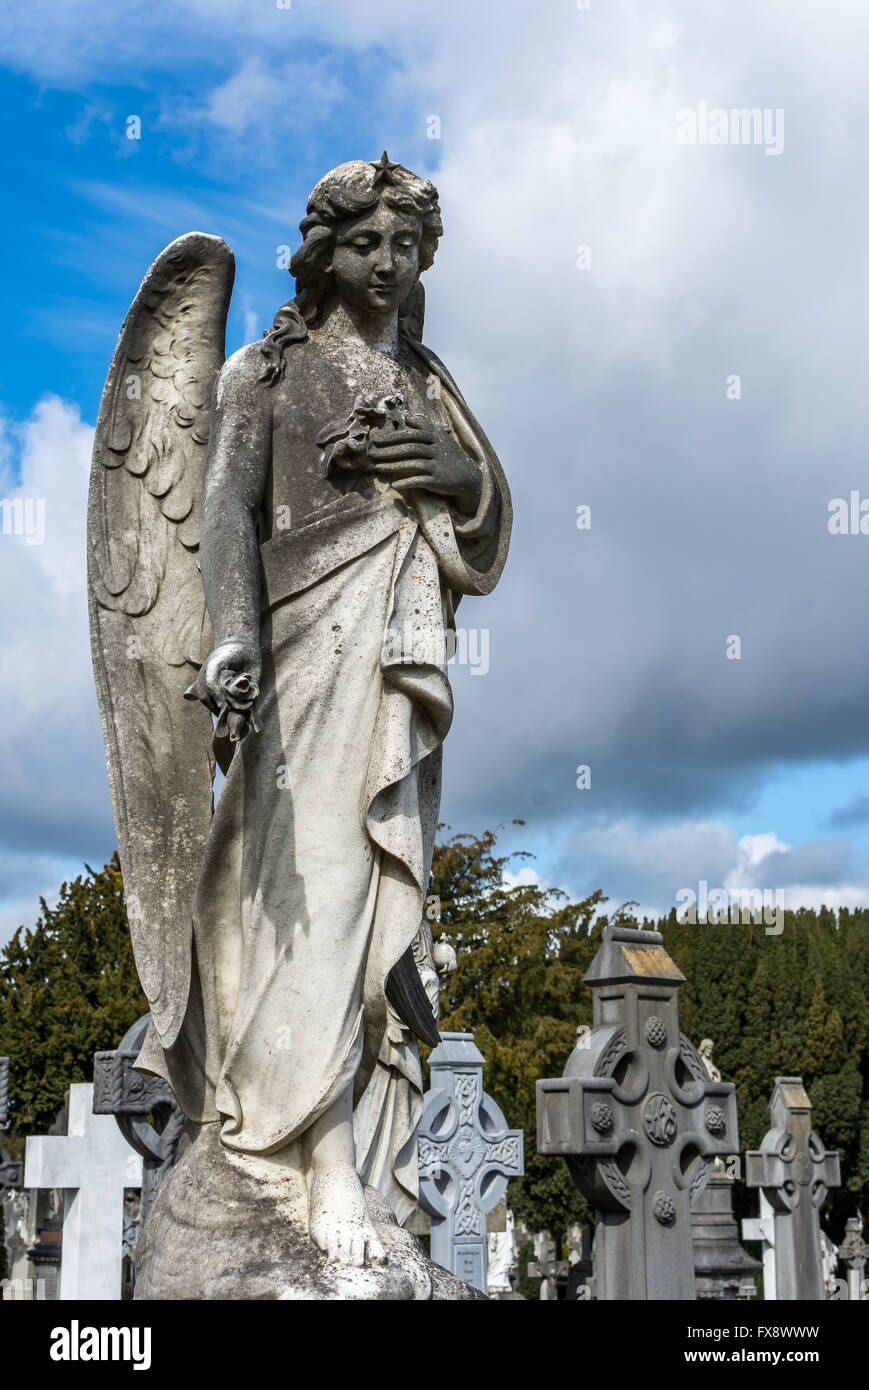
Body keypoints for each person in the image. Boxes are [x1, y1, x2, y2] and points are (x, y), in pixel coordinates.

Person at [138, 155, 511, 1267]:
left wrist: (450, 475)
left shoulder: (428, 377)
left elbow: (488, 516)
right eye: (368, 245)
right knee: (312, 895)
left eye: (407, 246)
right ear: (323, 250)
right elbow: (222, 516)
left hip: (394, 666)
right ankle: (312, 1156)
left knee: (374, 909)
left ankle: (350, 1161)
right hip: (301, 663)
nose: (389, 265)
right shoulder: (264, 373)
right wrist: (236, 640)